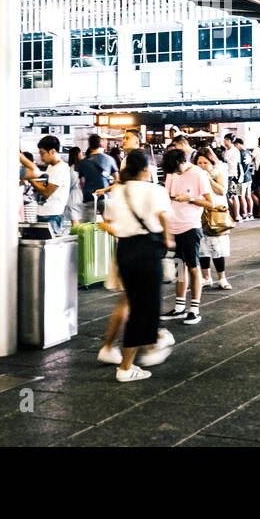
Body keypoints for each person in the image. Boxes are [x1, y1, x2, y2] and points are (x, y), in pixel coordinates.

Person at [99, 150, 177, 382]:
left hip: (124, 249)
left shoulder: (118, 191)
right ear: (145, 169)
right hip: (146, 249)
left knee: (135, 303)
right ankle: (126, 367)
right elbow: (163, 216)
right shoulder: (154, 190)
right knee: (144, 307)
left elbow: (108, 221)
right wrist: (168, 239)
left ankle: (148, 345)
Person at [160, 146, 212, 325]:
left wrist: (188, 199)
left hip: (190, 226)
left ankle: (194, 309)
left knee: (193, 267)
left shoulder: (198, 174)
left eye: (177, 170)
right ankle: (180, 307)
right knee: (178, 267)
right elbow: (167, 198)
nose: (176, 174)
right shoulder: (172, 172)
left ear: (184, 161)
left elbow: (210, 203)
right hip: (173, 226)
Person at [194, 147, 233, 289]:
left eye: (205, 163)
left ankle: (222, 277)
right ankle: (206, 277)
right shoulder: (194, 175)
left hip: (216, 212)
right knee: (202, 247)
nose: (202, 166)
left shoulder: (217, 173)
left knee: (217, 247)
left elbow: (222, 191)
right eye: (199, 163)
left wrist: (208, 179)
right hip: (200, 213)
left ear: (212, 163)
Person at [21, 136, 73, 236]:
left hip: (52, 215)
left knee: (49, 248)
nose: (41, 157)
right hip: (43, 213)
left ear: (52, 151)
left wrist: (31, 179)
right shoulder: (51, 167)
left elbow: (46, 192)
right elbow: (45, 185)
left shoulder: (61, 168)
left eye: (42, 153)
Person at [77, 134, 118, 220]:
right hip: (105, 196)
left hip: (89, 197)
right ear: (101, 144)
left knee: (88, 226)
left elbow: (82, 183)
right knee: (111, 225)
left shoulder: (83, 162)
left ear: (89, 145)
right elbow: (117, 180)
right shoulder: (109, 159)